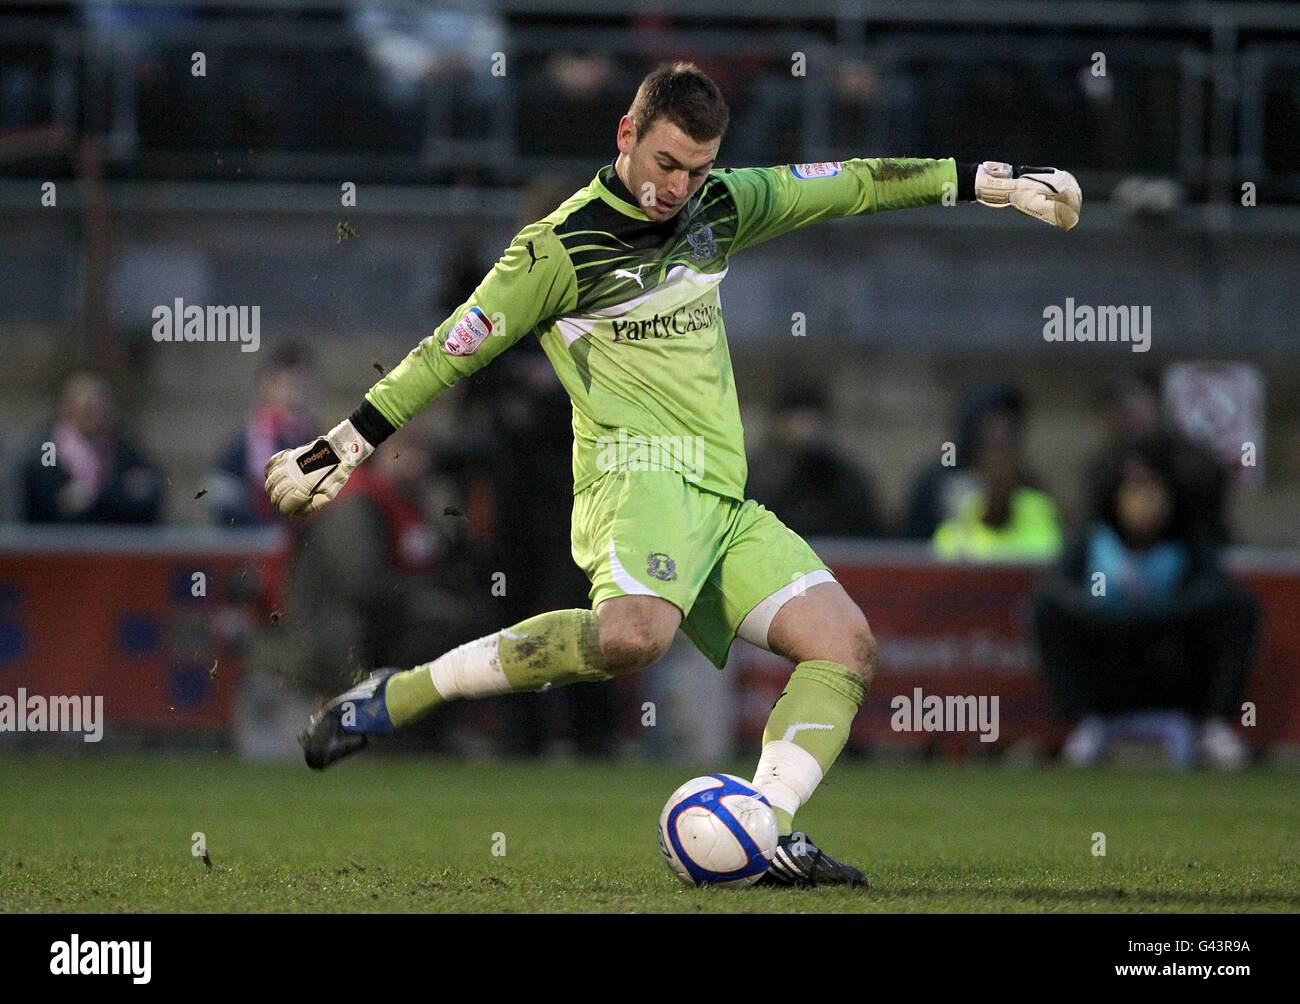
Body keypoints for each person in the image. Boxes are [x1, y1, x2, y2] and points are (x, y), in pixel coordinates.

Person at [263, 62, 1082, 887]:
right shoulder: (557, 248)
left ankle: (766, 829)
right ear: (627, 134)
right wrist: (342, 445)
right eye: (665, 164)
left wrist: (989, 183)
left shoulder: (720, 207)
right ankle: (398, 696)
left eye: (695, 169)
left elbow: (854, 184)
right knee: (635, 638)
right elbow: (450, 350)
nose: (677, 188)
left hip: (719, 496)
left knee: (845, 645)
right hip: (634, 479)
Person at [1033, 438, 1258, 769]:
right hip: (1109, 667)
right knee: (1045, 611)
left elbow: (1216, 593)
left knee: (1240, 608)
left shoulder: (1187, 540)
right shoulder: (1094, 539)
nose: (1146, 503)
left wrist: (1159, 614)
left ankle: (1212, 725)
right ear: (1117, 497)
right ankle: (1084, 723)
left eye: (1155, 492)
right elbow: (1053, 590)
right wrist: (1096, 613)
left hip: (1171, 667)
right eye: (1135, 492)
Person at [20, 371, 164, 525]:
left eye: (101, 408)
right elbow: (43, 504)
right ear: (67, 408)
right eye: (89, 410)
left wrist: (94, 496)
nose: (97, 416)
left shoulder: (125, 449)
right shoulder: (45, 450)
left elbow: (148, 495)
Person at [748, 384, 884, 539]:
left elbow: (867, 529)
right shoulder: (759, 477)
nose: (802, 426)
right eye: (794, 418)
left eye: (808, 418)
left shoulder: (845, 478)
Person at [207, 343, 317, 527]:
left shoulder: (317, 442)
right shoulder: (240, 449)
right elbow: (224, 506)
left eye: (303, 386)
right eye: (289, 385)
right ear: (267, 387)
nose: (297, 396)